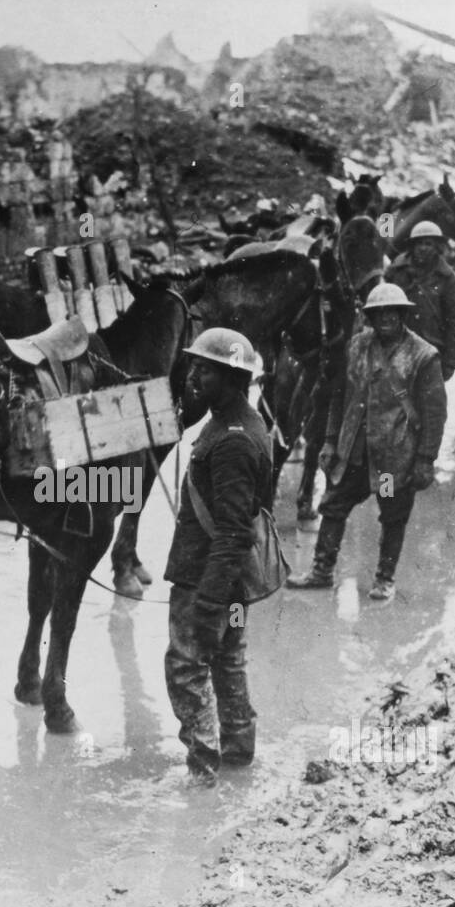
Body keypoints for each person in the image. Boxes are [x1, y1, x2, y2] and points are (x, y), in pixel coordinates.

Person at [286, 283, 447, 600]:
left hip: (391, 458)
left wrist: (425, 459)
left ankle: (384, 579)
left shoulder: (423, 356)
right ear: (370, 317)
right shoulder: (356, 346)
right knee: (333, 505)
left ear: (402, 314)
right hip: (354, 454)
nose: (385, 318)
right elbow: (338, 397)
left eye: (391, 312)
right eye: (378, 313)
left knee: (392, 513)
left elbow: (435, 414)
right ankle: (321, 571)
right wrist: (331, 441)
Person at [163, 327, 273, 782]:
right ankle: (238, 749)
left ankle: (202, 766)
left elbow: (231, 533)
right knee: (228, 658)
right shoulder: (243, 420)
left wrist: (208, 601)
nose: (193, 376)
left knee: (187, 666)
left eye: (204, 369)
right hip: (230, 580)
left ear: (232, 378)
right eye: (194, 365)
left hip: (208, 576)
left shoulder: (230, 441)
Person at [385, 220, 455, 382]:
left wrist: (450, 363)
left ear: (437, 247)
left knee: (427, 405)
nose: (423, 248)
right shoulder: (396, 270)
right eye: (419, 243)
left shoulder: (449, 279)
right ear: (412, 245)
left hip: (430, 354)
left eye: (428, 243)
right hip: (395, 351)